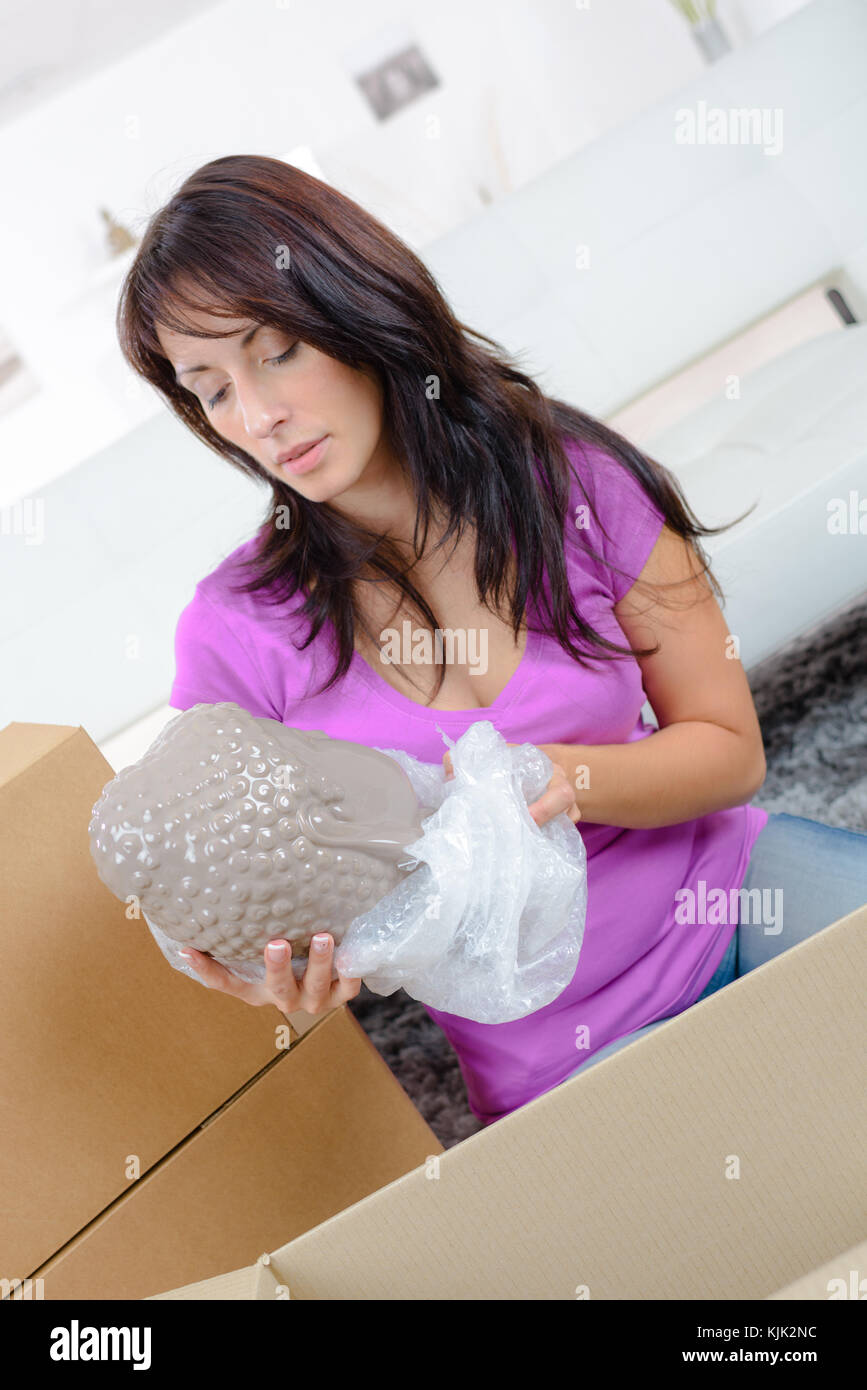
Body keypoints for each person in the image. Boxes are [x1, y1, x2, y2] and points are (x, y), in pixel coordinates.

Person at [116, 154, 867, 1127]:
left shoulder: (573, 481)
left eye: (276, 350)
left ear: (354, 310)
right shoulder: (239, 628)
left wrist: (557, 779)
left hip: (732, 890)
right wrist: (270, 972)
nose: (257, 417)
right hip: (554, 1044)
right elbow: (217, 880)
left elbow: (729, 749)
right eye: (211, 389)